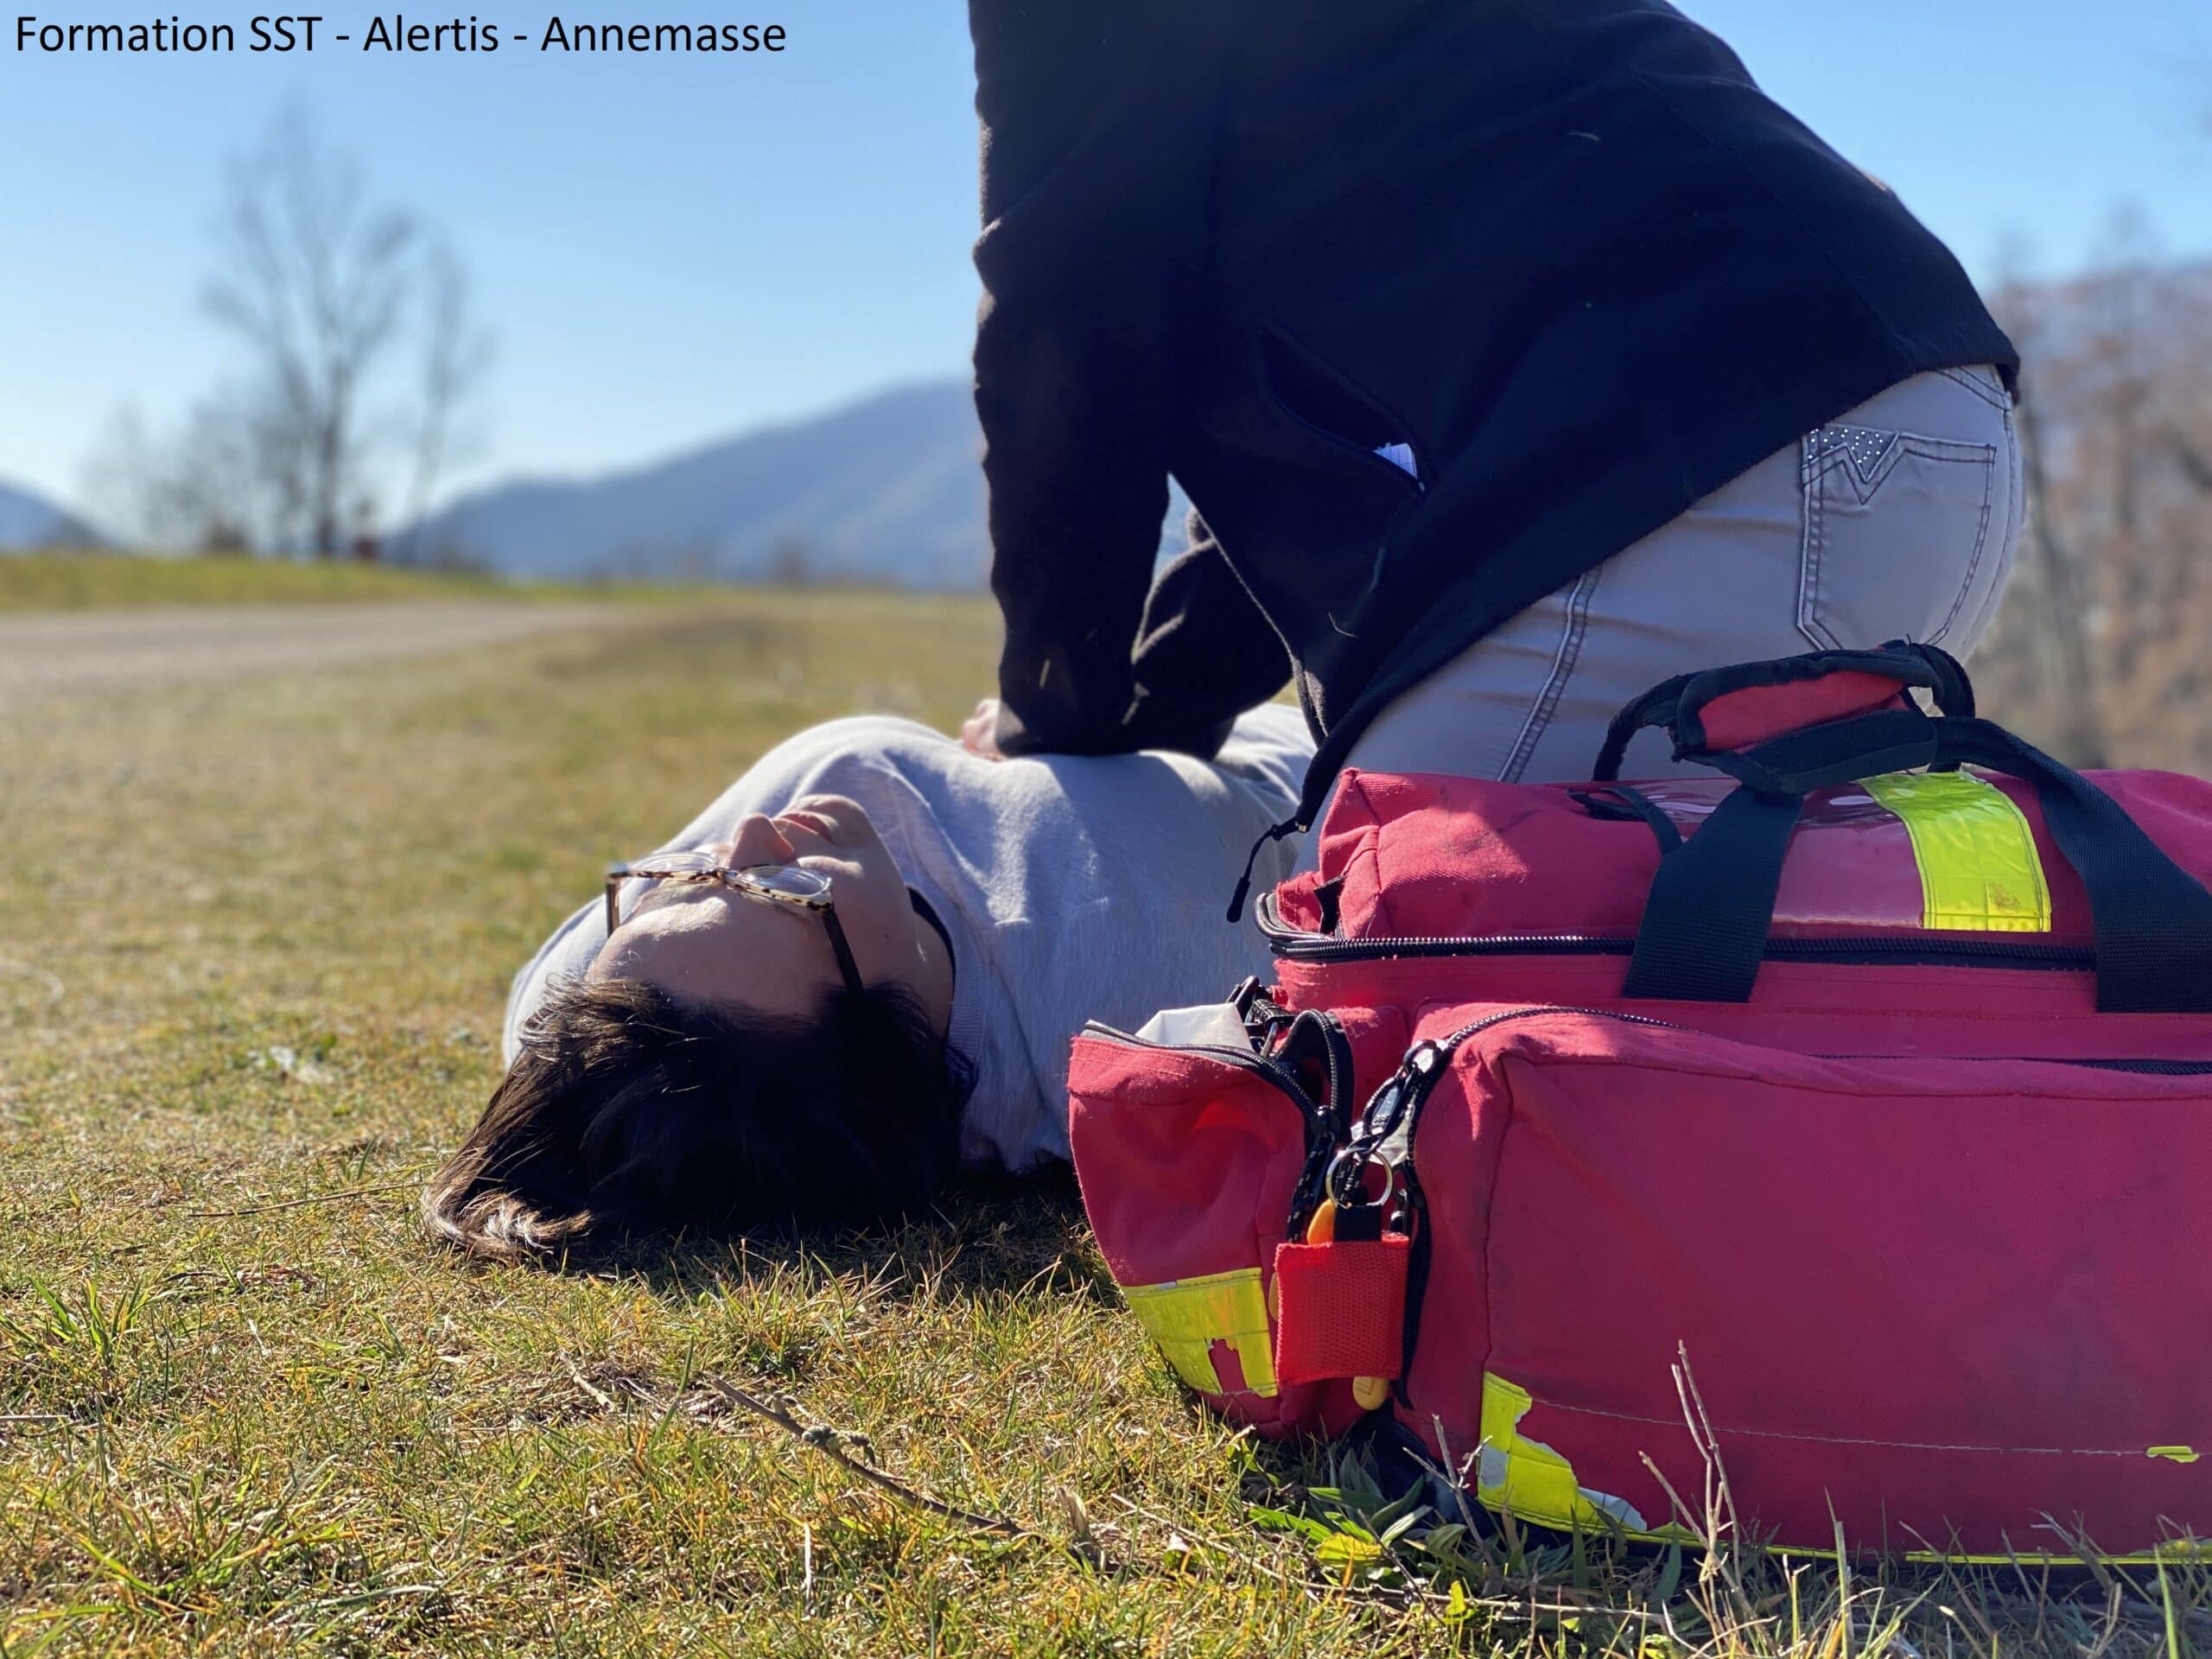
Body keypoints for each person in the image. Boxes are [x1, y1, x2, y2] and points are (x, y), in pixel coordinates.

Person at [961, 0, 2023, 873]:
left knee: (1384, 973)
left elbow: (1066, 330)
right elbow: (1341, 458)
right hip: (1921, 427)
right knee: (1733, 1030)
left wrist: (1056, 732)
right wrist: (1153, 715)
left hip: (1703, 478)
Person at [423, 706, 1314, 1258]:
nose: (749, 841)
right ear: (890, 1045)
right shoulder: (1132, 985)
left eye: (683, 884)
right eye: (783, 895)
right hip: (1344, 705)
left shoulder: (616, 1002)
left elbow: (550, 1051)